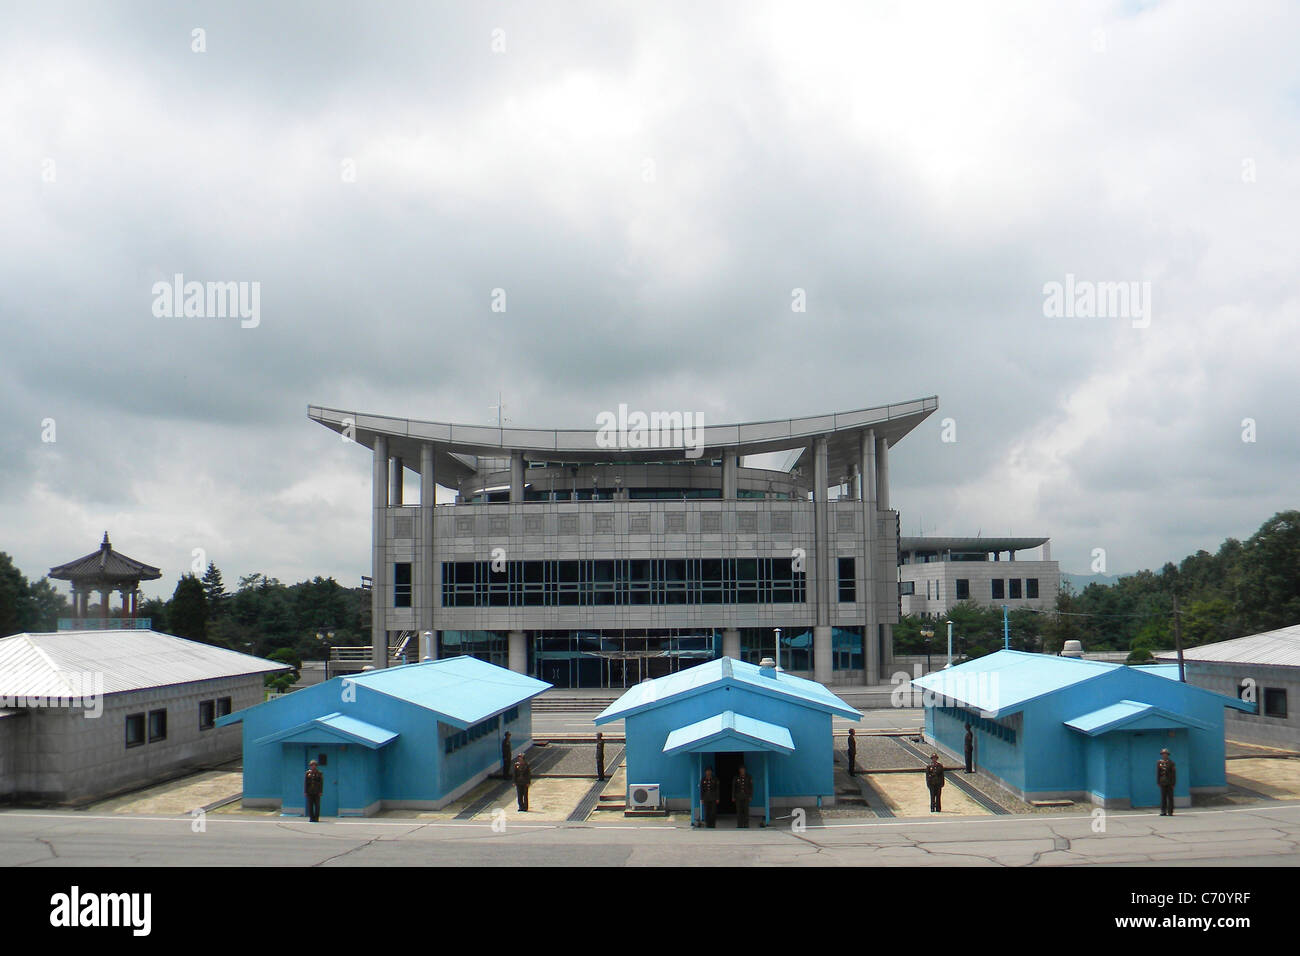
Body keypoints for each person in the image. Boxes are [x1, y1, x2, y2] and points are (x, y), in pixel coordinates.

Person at [1157, 748, 1176, 816]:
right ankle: (1163, 811)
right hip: (1163, 782)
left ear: (1168, 755)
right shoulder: (1159, 762)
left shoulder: (1171, 763)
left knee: (1170, 797)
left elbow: (1173, 774)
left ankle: (1170, 811)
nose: (1164, 755)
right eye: (1163, 754)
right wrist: (1158, 782)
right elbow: (1158, 773)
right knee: (1163, 797)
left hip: (1170, 782)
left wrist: (1173, 783)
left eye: (1165, 754)